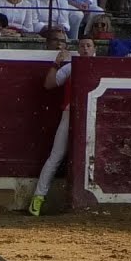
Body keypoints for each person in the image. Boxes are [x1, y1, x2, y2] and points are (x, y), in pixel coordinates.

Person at [28, 39, 94, 217]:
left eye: (89, 46)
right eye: (82, 46)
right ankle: (38, 198)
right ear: (78, 49)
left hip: (94, 116)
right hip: (69, 113)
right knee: (56, 156)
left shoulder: (101, 65)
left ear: (94, 48)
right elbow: (49, 84)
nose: (85, 49)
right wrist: (56, 63)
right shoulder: (72, 67)